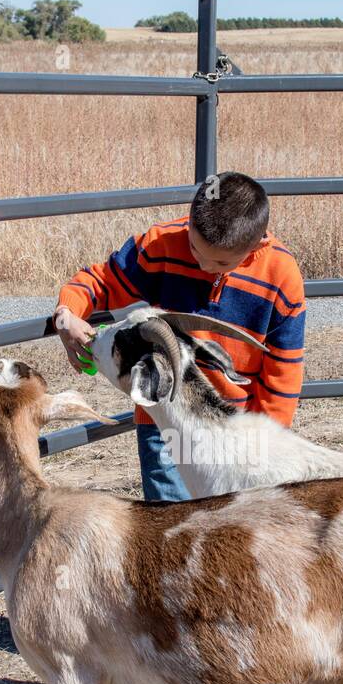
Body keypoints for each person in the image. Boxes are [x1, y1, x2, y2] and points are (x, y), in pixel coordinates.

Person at [54, 171, 306, 500]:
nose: (202, 263)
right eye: (194, 248)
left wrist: (265, 443)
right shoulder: (162, 245)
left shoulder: (282, 277)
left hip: (236, 430)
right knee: (173, 532)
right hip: (164, 420)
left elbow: (282, 373)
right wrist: (67, 313)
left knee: (231, 530)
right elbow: (102, 281)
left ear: (256, 245)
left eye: (218, 261)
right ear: (189, 221)